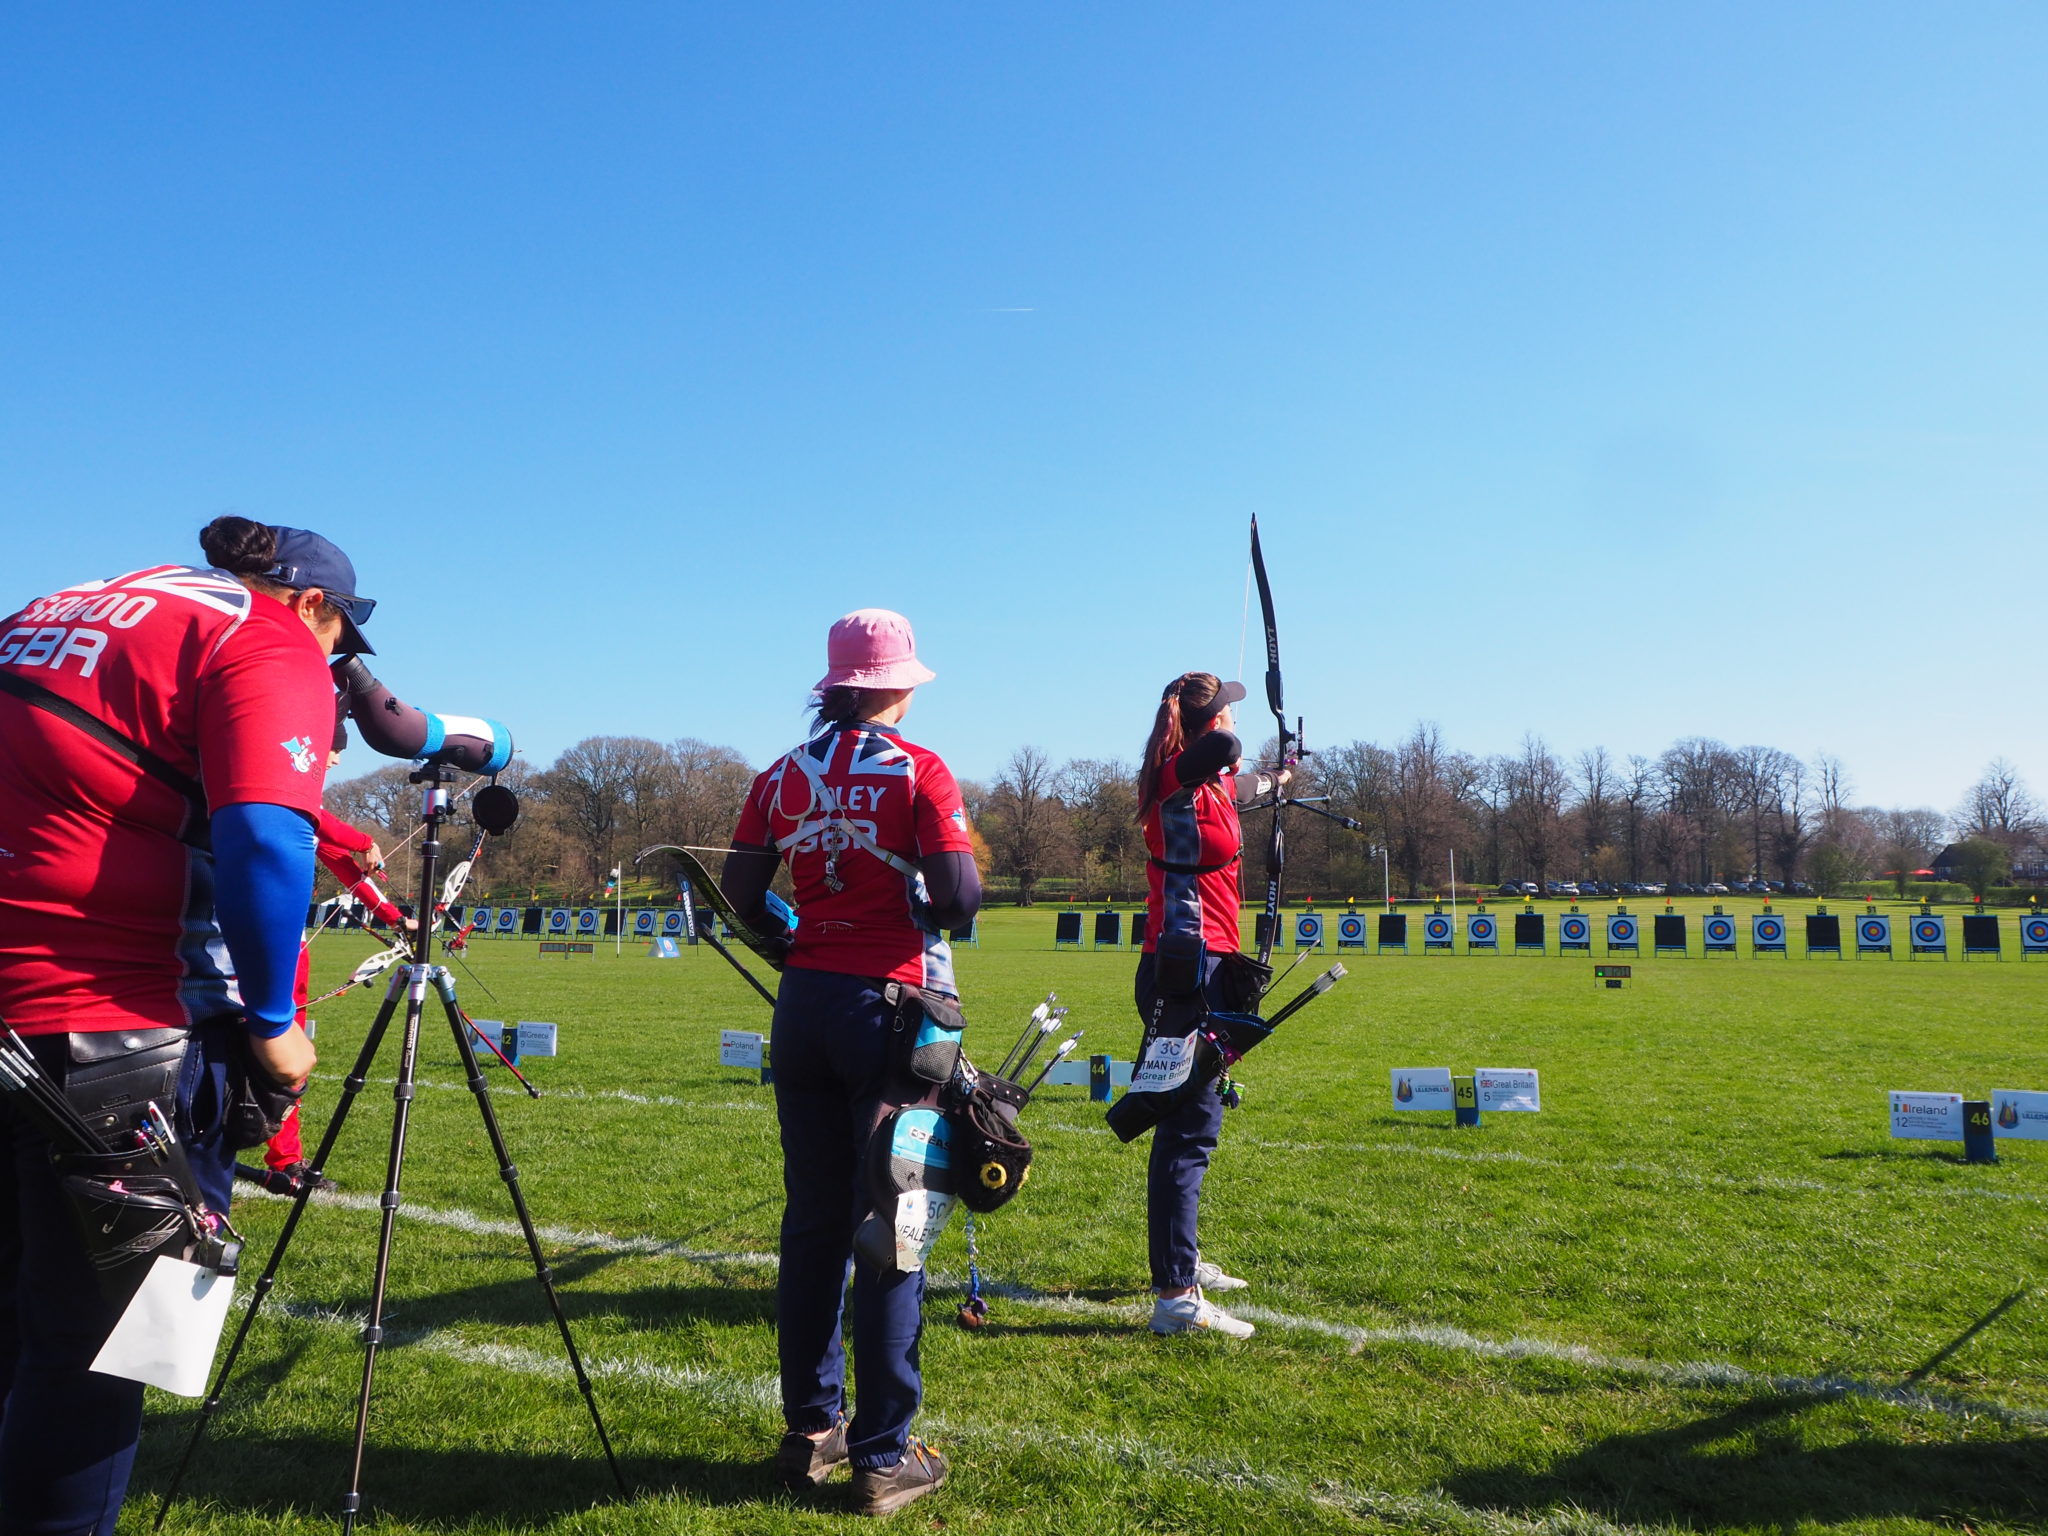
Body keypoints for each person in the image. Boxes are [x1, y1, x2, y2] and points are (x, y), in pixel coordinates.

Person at [0, 516, 372, 1533]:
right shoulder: (265, 633)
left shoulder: (56, 608)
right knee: (105, 1357)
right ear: (314, 606)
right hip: (108, 1028)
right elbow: (261, 833)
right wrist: (274, 1020)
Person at [721, 609, 979, 1518]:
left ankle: (810, 1430)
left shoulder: (779, 775)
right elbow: (957, 900)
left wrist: (800, 936)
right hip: (890, 1011)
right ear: (897, 685)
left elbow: (744, 893)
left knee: (816, 1221)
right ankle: (882, 1455)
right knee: (893, 1225)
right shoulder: (920, 770)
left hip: (804, 1010)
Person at [1132, 670, 1286, 1339]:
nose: (1232, 724)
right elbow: (1221, 758)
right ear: (1208, 724)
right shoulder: (1174, 779)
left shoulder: (1215, 784)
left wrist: (1283, 775)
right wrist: (1229, 740)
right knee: (1186, 1130)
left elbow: (1243, 781)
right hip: (1182, 971)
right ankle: (1175, 1297)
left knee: (1200, 1123)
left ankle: (1183, 1261)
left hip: (1214, 967)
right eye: (1225, 713)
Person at [243, 716, 410, 1196]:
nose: (336, 759)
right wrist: (363, 841)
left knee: (286, 1052)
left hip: (286, 945)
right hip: (245, 936)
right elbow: (329, 828)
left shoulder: (302, 804)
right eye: (333, 750)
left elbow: (345, 865)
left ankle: (287, 1159)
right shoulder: (281, 788)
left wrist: (395, 917)